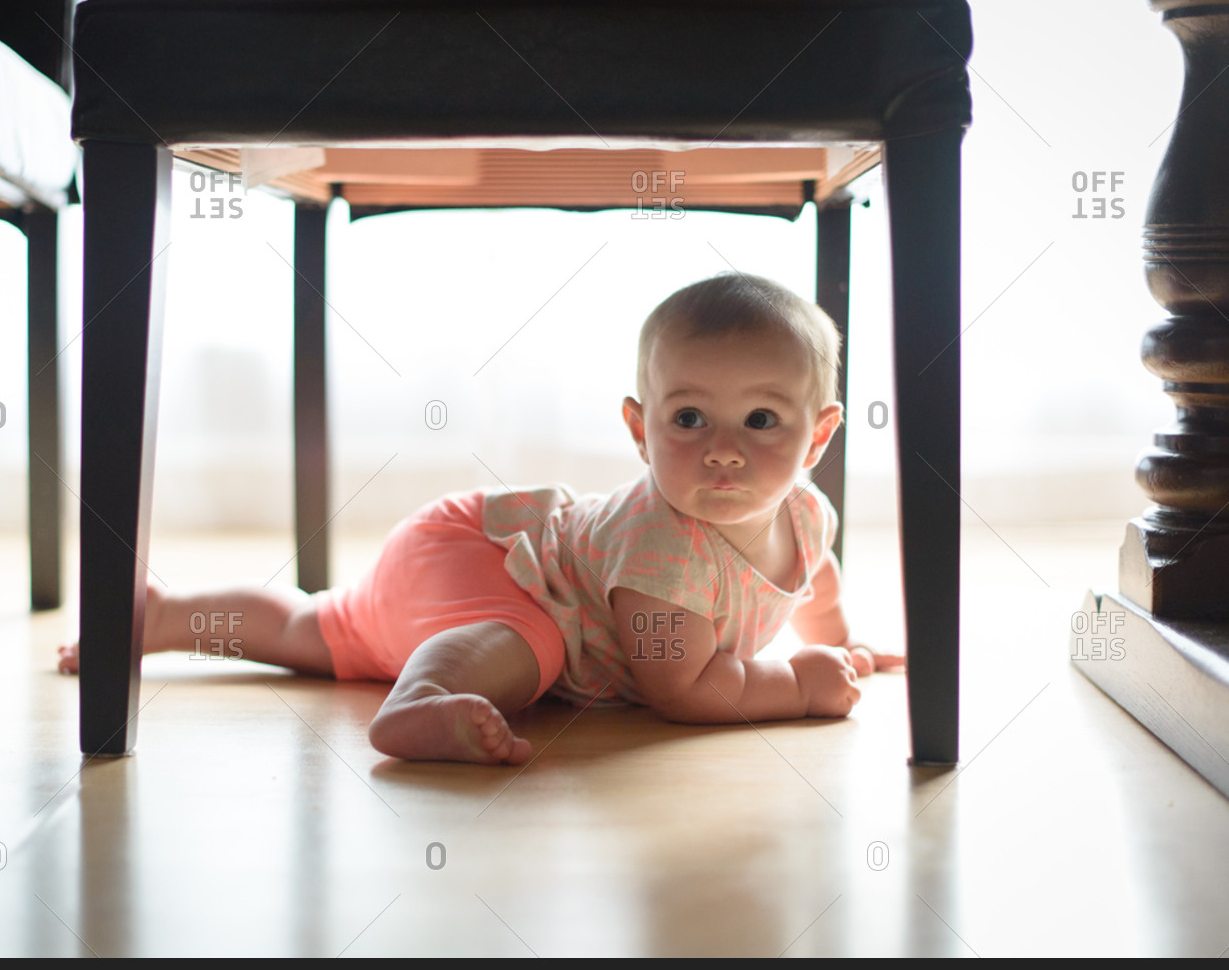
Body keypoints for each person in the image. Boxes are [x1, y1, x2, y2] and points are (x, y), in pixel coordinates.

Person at [59, 271, 905, 765]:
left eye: (761, 420)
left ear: (819, 435)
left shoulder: (805, 513)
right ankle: (422, 698)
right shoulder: (662, 548)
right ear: (639, 428)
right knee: (532, 641)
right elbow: (680, 687)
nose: (723, 450)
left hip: (471, 550)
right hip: (488, 559)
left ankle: (163, 616)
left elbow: (815, 580)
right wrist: (798, 685)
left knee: (320, 627)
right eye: (689, 418)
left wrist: (842, 638)